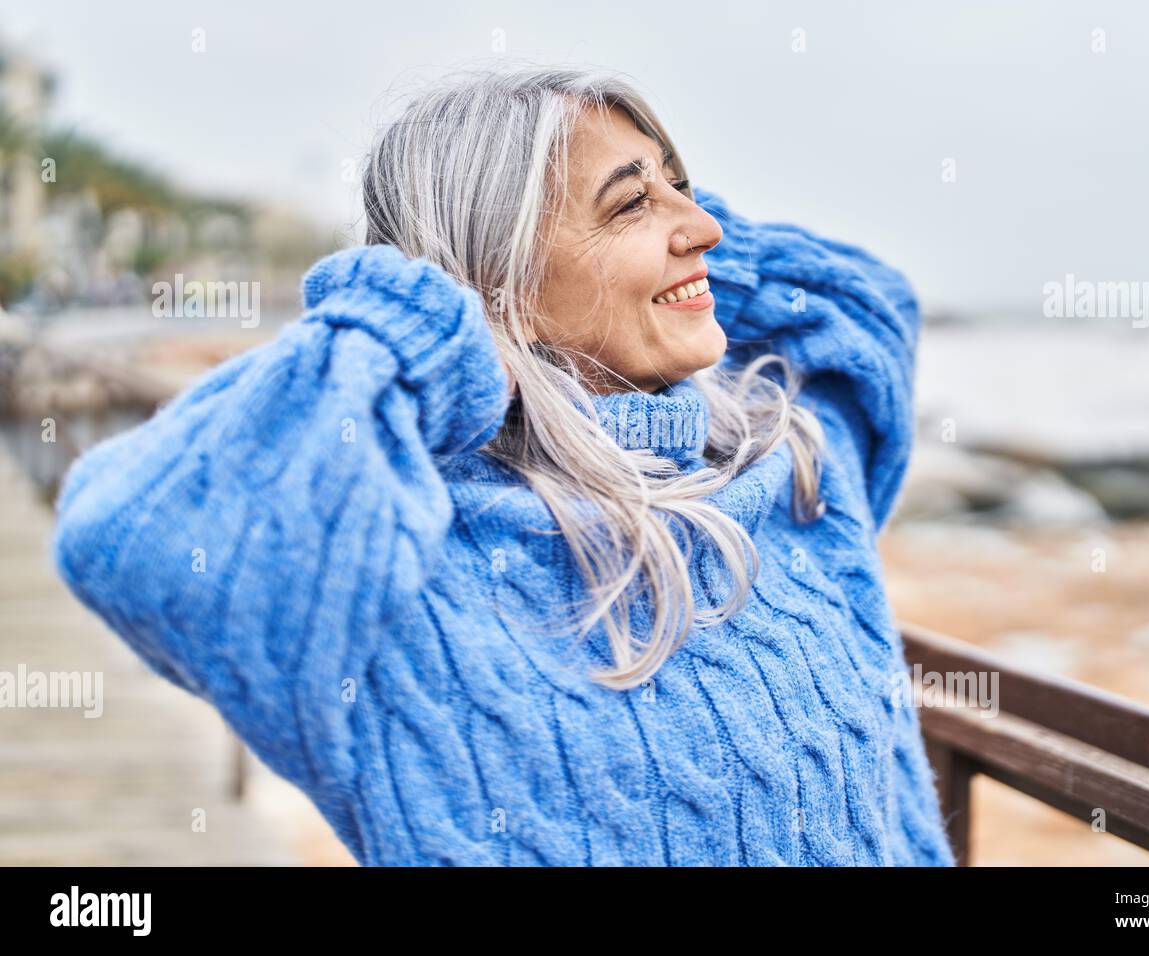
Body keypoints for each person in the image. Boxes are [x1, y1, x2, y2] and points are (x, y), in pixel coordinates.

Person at [52, 64, 957, 866]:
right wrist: (424, 321)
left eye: (683, 188)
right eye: (631, 203)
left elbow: (866, 307)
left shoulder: (788, 464)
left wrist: (673, 244)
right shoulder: (411, 580)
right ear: (503, 286)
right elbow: (135, 537)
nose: (706, 228)